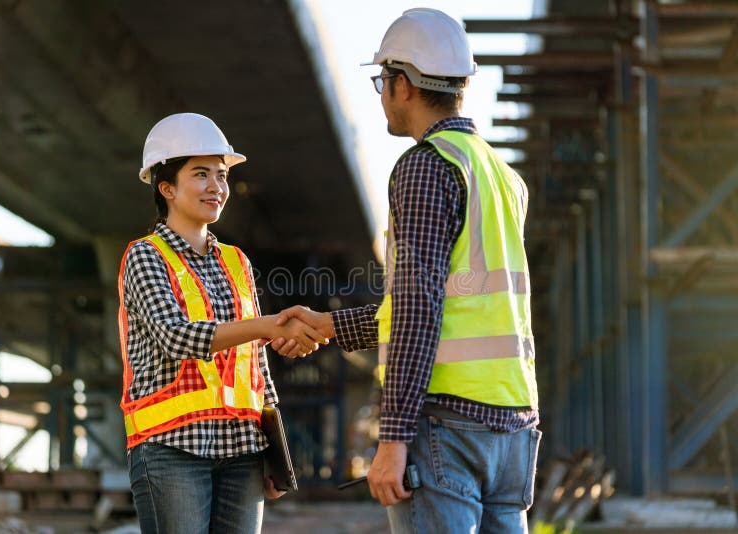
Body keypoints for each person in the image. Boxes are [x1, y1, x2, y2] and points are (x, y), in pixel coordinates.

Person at [274, 8, 540, 533]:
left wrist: (392, 438)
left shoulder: (426, 166)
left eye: (382, 82)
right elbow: (457, 299)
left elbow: (420, 306)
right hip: (512, 423)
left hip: (449, 423)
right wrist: (332, 327)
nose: (382, 95)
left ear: (404, 84)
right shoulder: (503, 177)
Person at [118, 112, 327, 534]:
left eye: (222, 175)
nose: (217, 187)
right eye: (201, 174)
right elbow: (175, 336)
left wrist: (273, 447)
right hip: (171, 448)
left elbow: (256, 364)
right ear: (166, 188)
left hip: (242, 450)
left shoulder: (236, 261)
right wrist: (268, 326)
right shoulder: (145, 255)